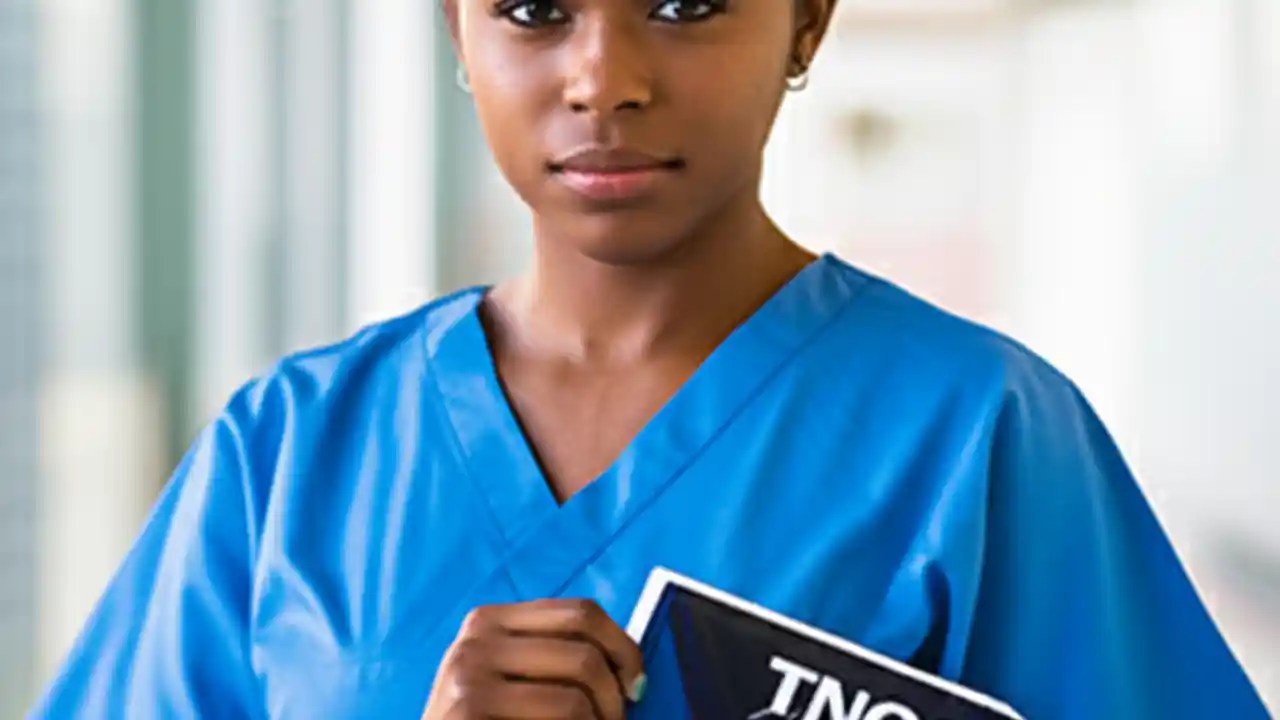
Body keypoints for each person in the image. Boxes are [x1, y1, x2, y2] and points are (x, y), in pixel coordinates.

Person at [32, 0, 1269, 716]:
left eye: (682, 3)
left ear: (805, 20)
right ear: (454, 35)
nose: (602, 77)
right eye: (530, 8)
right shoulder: (287, 457)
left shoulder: (981, 437)